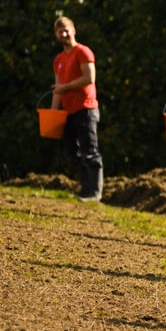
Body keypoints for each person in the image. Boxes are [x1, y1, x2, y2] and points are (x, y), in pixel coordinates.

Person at [48, 15, 103, 201]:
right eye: (59, 32)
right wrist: (53, 113)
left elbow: (89, 78)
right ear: (56, 35)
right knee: (72, 153)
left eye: (66, 30)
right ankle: (85, 189)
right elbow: (58, 89)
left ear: (73, 30)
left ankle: (95, 193)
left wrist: (65, 87)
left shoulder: (83, 52)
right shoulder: (58, 59)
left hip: (86, 108)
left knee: (90, 151)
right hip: (68, 111)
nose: (63, 34)